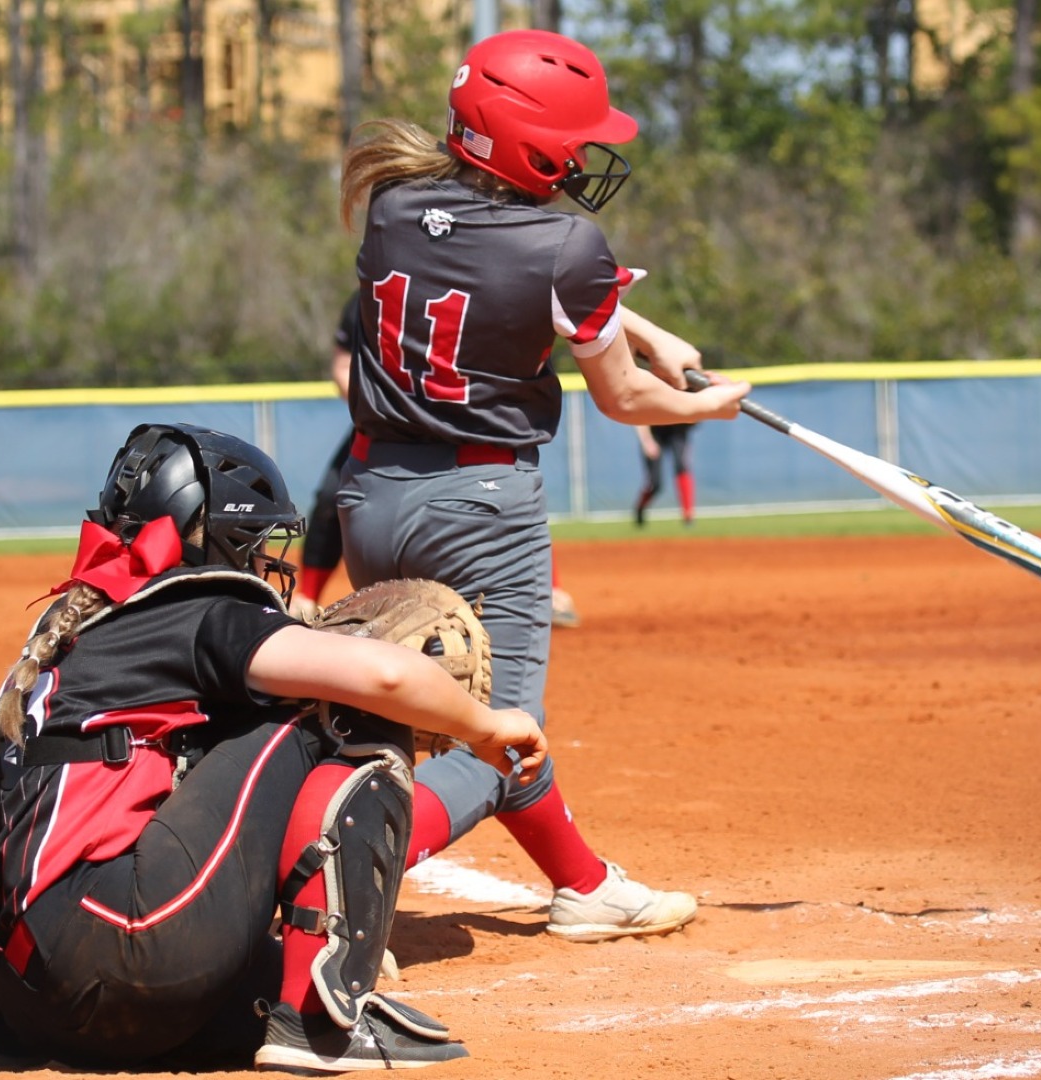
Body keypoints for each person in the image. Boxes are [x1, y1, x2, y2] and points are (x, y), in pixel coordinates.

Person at [0, 423, 546, 1075]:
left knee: (260, 977)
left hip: (26, 978)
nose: (264, 561)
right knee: (346, 709)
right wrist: (486, 727)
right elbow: (387, 677)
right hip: (117, 948)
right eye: (253, 543)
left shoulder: (86, 624)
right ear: (215, 537)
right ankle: (318, 1021)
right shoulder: (196, 609)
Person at [335, 28, 749, 942]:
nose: (586, 155)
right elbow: (623, 398)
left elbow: (509, 267)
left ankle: (584, 884)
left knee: (417, 708)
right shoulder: (568, 243)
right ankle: (336, 877)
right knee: (500, 734)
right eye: (575, 138)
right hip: (479, 508)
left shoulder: (393, 204)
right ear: (530, 145)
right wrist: (706, 404)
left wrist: (643, 328)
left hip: (372, 496)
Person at [293, 291, 583, 630]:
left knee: (507, 485)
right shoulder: (372, 295)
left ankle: (549, 591)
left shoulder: (475, 289)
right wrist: (380, 401)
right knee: (333, 494)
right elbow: (343, 366)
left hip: (463, 419)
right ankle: (306, 597)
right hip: (389, 422)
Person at [632, 422, 697, 527]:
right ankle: (640, 508)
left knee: (682, 466)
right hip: (654, 430)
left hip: (677, 427)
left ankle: (688, 514)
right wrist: (647, 440)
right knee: (655, 483)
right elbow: (639, 419)